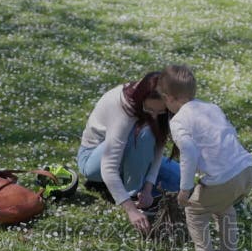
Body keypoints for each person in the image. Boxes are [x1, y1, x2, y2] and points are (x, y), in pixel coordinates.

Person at [158, 65, 252, 251]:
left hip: (225, 179)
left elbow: (189, 153)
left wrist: (185, 189)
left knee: (194, 210)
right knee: (224, 206)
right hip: (246, 171)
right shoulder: (211, 108)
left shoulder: (178, 120)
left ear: (169, 98)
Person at [77, 72, 180, 233]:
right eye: (149, 109)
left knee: (178, 180)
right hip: (94, 160)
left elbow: (158, 147)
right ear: (141, 99)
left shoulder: (161, 106)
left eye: (160, 112)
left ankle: (130, 184)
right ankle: (131, 193)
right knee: (144, 133)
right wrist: (132, 210)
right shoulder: (123, 106)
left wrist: (148, 187)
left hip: (129, 151)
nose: (154, 115)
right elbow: (108, 167)